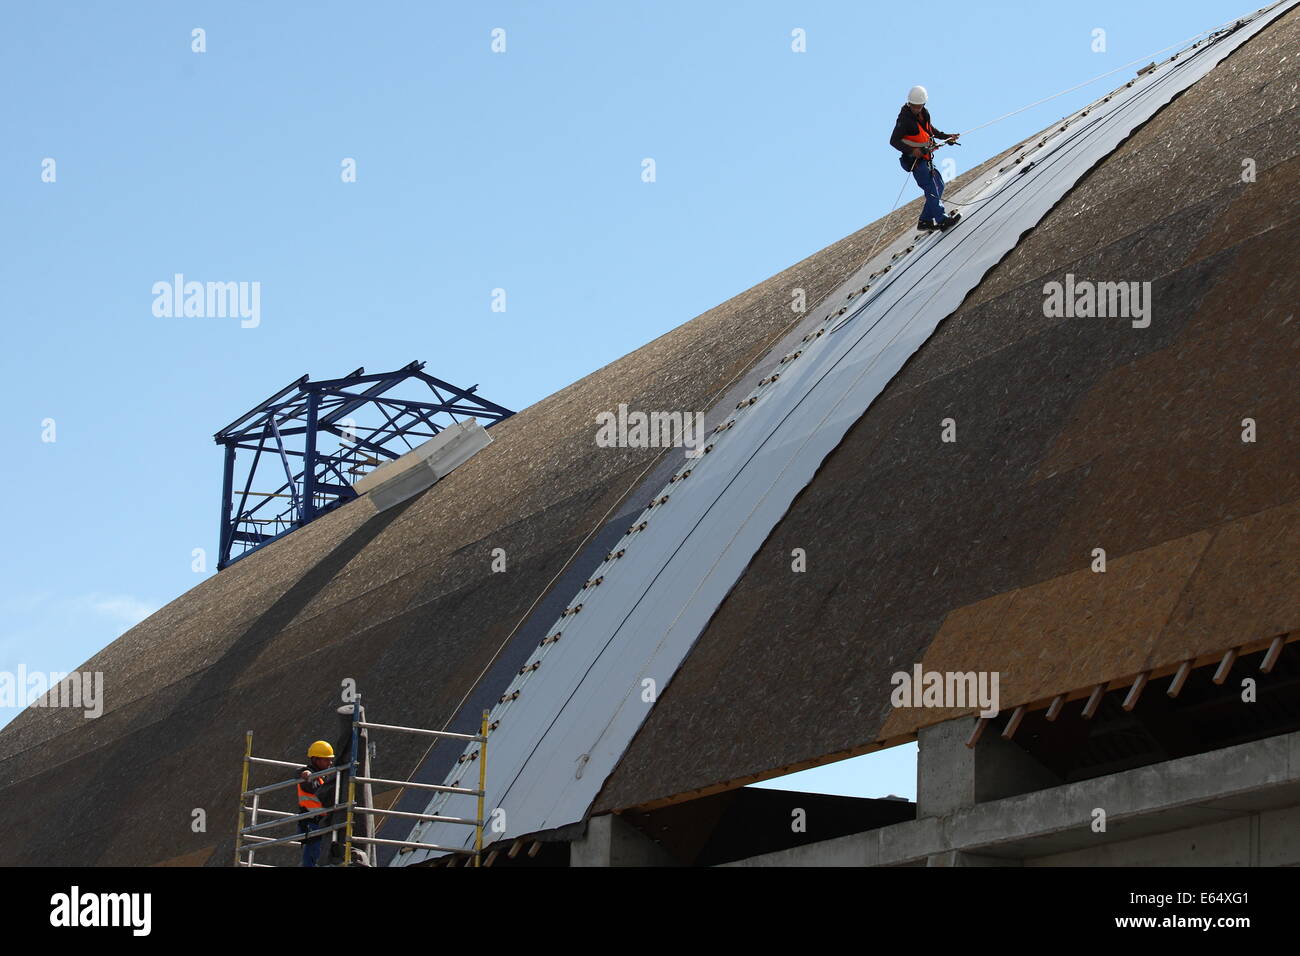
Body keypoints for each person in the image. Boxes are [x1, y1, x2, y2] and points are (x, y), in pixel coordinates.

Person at [890, 85, 961, 231]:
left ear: (923, 104)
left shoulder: (924, 114)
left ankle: (925, 220)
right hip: (916, 162)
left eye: (919, 106)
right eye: (913, 106)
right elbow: (894, 141)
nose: (916, 108)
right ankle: (941, 219)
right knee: (931, 189)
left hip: (926, 158)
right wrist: (912, 150)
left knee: (939, 185)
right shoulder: (904, 119)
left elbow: (930, 130)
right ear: (909, 103)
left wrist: (946, 137)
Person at [297, 740, 335, 867]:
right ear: (315, 760)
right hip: (312, 824)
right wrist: (305, 774)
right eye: (326, 760)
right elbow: (301, 774)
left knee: (311, 859)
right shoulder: (309, 776)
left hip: (317, 824)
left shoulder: (323, 776)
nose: (330, 763)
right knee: (317, 857)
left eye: (330, 760)